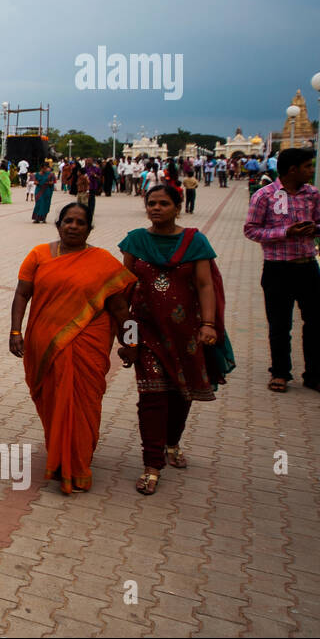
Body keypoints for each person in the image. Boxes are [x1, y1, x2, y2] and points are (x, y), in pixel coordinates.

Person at [9, 202, 136, 494]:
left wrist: (131, 341)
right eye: (69, 221)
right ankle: (59, 456)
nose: (74, 226)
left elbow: (121, 309)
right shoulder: (39, 255)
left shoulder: (103, 262)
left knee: (83, 404)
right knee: (53, 401)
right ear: (59, 224)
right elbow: (21, 294)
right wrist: (15, 330)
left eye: (81, 222)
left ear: (89, 228)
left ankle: (76, 465)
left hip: (87, 345)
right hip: (44, 344)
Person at [120, 184, 234, 495]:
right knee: (153, 396)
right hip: (146, 331)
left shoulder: (195, 241)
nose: (156, 208)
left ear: (177, 207)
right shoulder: (135, 240)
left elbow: (204, 285)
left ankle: (172, 442)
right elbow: (124, 291)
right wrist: (127, 338)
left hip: (186, 334)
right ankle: (152, 464)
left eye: (163, 203)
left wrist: (208, 325)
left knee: (181, 394)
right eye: (151, 203)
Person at [243, 148, 320, 394]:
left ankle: (316, 376)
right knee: (280, 324)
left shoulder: (312, 194)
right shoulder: (265, 196)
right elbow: (251, 230)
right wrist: (285, 232)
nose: (311, 171)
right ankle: (280, 373)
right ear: (293, 169)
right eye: (307, 167)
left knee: (317, 323)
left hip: (307, 266)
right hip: (277, 269)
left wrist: (315, 229)